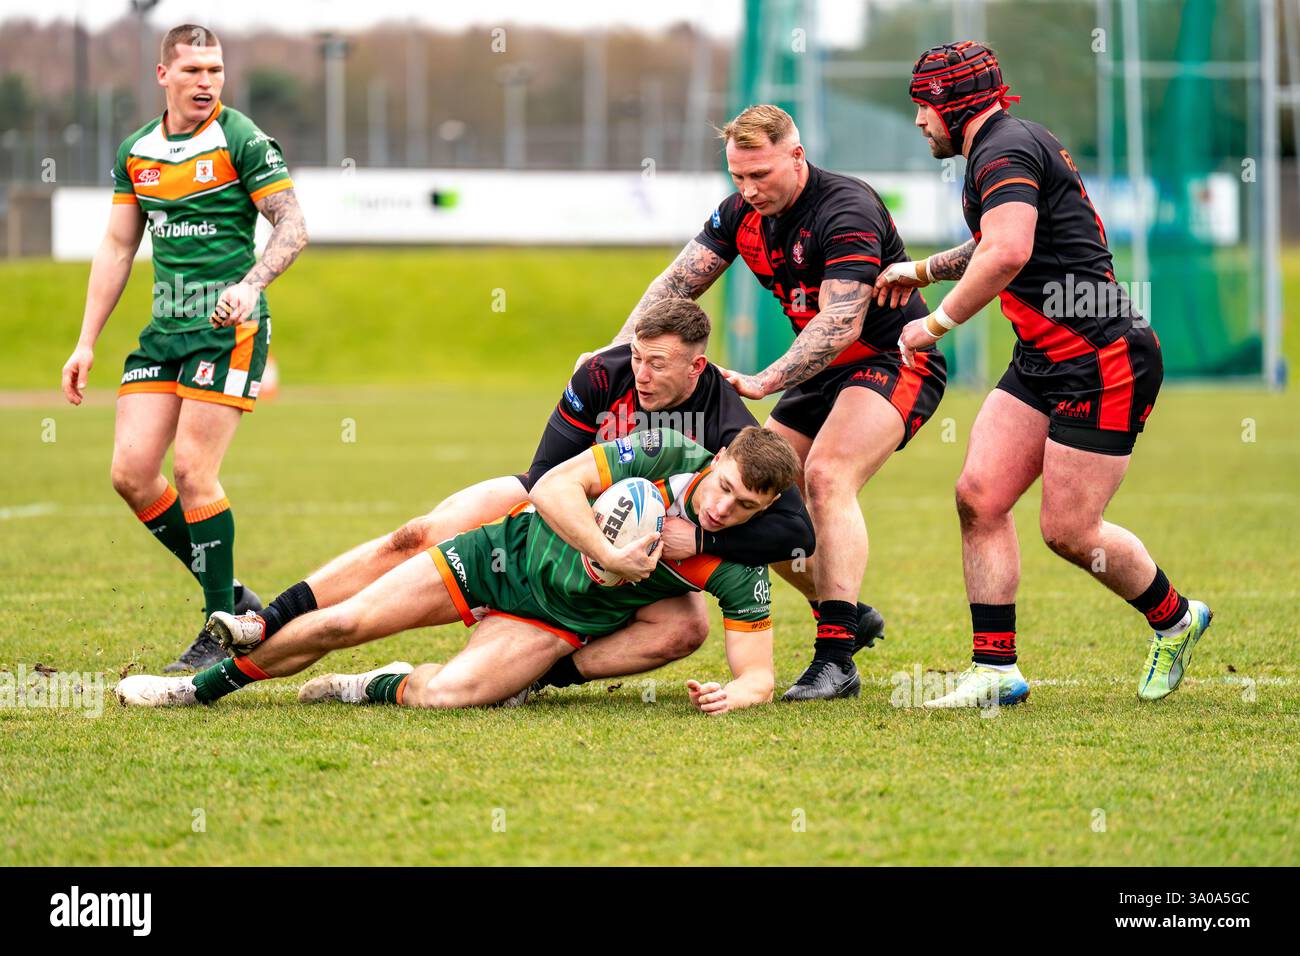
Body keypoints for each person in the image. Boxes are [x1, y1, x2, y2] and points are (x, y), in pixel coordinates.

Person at [210, 299, 880, 699]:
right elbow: (545, 475)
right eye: (638, 359)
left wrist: (697, 540)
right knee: (418, 533)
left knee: (686, 627)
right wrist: (592, 541)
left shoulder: (727, 423)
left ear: (696, 367)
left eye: (659, 365)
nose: (642, 375)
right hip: (560, 507)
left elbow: (788, 525)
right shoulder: (601, 373)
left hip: (645, 545)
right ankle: (266, 621)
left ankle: (535, 671)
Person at [877, 41, 1211, 706]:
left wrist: (934, 322)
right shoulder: (1001, 147)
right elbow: (991, 241)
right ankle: (996, 672)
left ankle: (1175, 617)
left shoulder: (1002, 148)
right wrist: (917, 270)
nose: (918, 121)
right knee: (979, 495)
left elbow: (1007, 251)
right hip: (1044, 356)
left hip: (1102, 356)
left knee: (1068, 530)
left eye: (924, 106)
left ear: (955, 103)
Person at [586, 105, 946, 701]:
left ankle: (836, 658)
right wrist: (615, 356)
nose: (749, 191)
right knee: (762, 491)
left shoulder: (846, 207)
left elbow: (841, 317)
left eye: (761, 176)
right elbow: (673, 287)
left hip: (892, 359)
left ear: (796, 157)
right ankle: (848, 611)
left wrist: (763, 381)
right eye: (738, 178)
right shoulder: (737, 215)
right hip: (818, 370)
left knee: (828, 476)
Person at [114, 427, 799, 716]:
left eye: (745, 505)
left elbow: (759, 673)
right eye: (725, 486)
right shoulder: (661, 450)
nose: (724, 506)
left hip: (552, 621)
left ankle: (374, 686)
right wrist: (612, 553)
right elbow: (555, 485)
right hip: (496, 559)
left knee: (447, 698)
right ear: (718, 460)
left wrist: (735, 696)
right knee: (347, 620)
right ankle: (196, 692)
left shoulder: (738, 562)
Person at [59, 23, 308, 671]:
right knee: (132, 474)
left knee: (194, 473)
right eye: (194, 70)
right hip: (164, 333)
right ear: (163, 75)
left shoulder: (241, 138)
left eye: (216, 70)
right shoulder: (137, 150)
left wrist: (252, 284)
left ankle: (217, 630)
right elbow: (117, 246)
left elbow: (292, 224)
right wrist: (85, 342)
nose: (207, 82)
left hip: (228, 330)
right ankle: (232, 598)